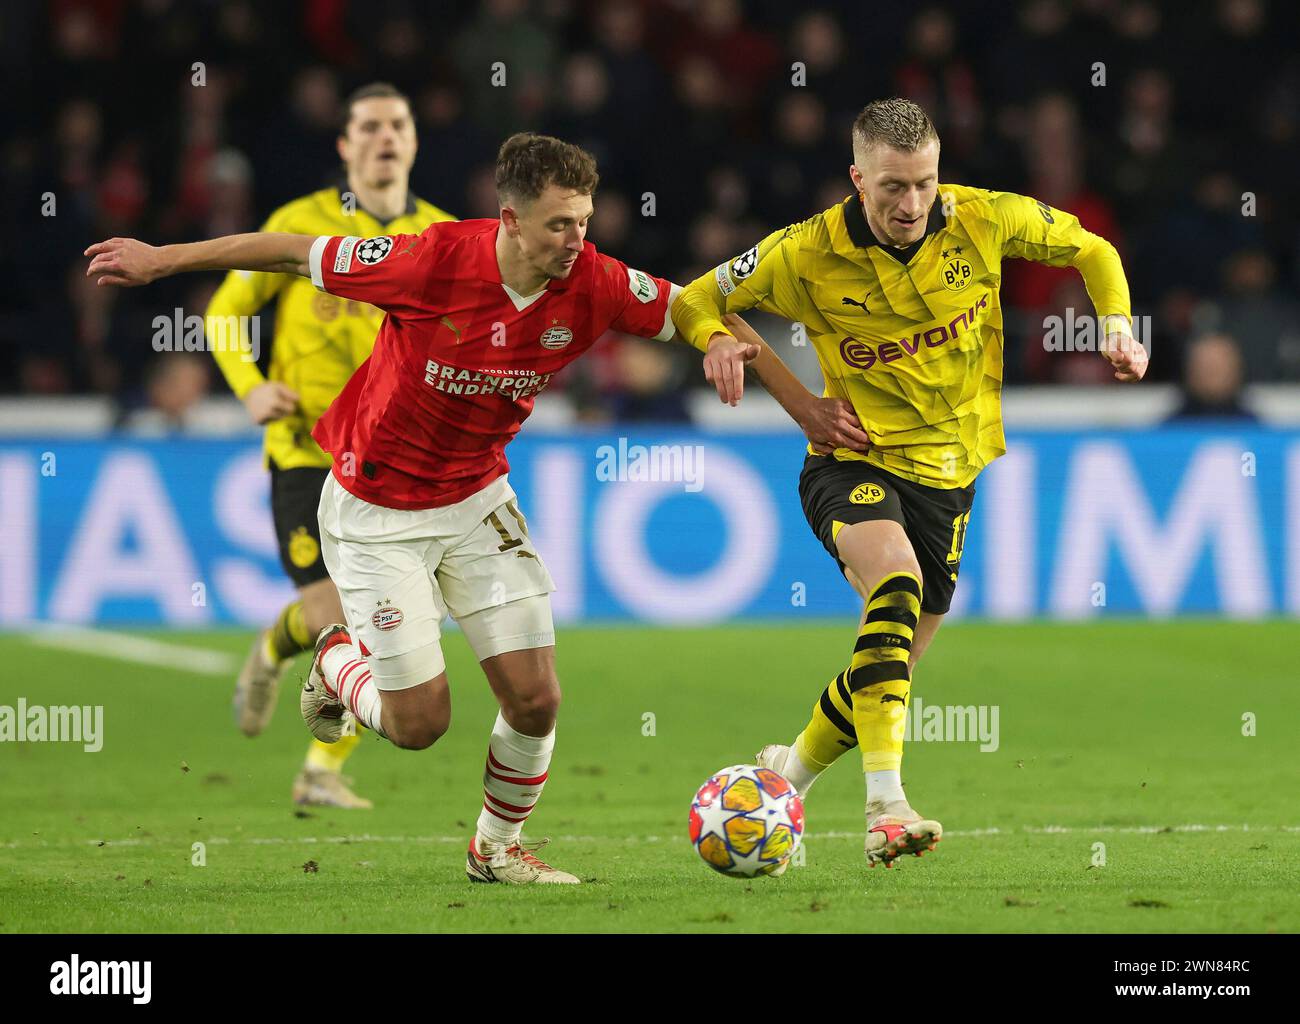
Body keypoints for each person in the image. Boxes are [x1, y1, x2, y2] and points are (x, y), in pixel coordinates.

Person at [86, 131, 854, 885]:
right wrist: (163, 259)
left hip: (477, 496)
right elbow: (291, 251)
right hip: (374, 508)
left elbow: (687, 304)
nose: (576, 240)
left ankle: (495, 849)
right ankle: (332, 659)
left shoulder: (590, 278)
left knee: (536, 697)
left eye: (584, 221)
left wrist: (717, 338)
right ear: (510, 219)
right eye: (559, 224)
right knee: (419, 725)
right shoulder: (430, 260)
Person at [672, 97, 1148, 869]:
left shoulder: (982, 217)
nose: (912, 204)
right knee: (892, 582)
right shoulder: (806, 251)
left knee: (888, 664)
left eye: (924, 183)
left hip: (950, 477)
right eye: (893, 186)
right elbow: (697, 297)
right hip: (852, 461)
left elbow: (1093, 251)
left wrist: (1117, 328)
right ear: (858, 179)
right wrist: (788, 395)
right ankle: (886, 806)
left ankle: (784, 775)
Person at [207, 82, 455, 809]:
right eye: (369, 127)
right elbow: (225, 313)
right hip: (306, 452)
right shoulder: (301, 225)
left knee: (388, 619)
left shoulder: (441, 237)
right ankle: (276, 645)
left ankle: (321, 770)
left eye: (397, 126)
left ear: (413, 142)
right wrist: (248, 386)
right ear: (346, 146)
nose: (385, 138)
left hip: (395, 460)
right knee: (337, 616)